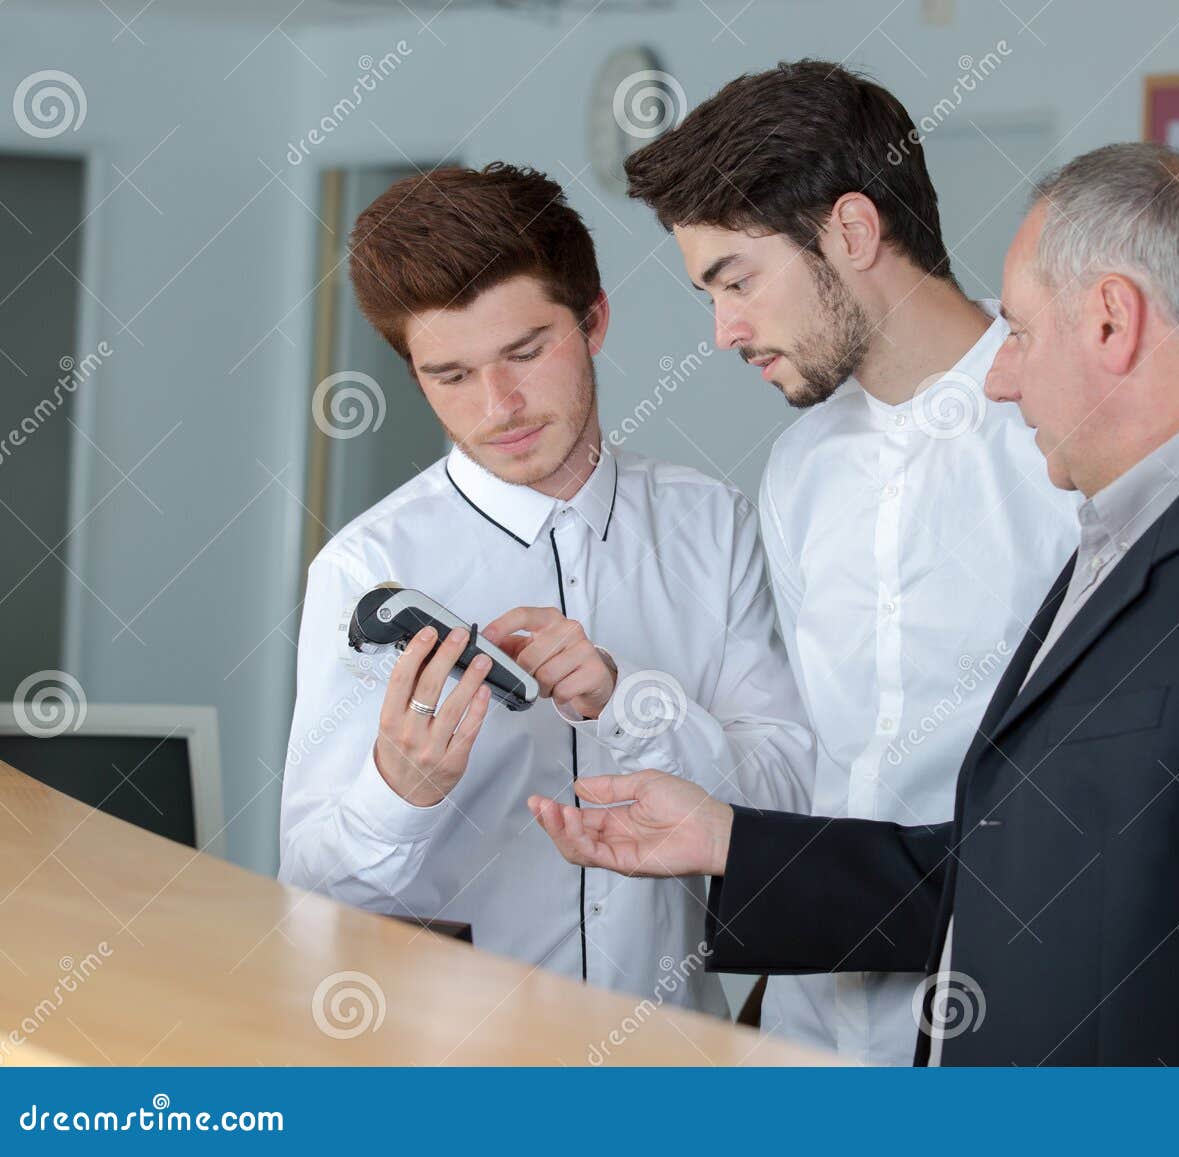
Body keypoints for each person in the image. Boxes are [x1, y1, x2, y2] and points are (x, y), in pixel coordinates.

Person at [530, 142, 1179, 1065]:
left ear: (1110, 323)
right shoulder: (1122, 536)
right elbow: (1011, 874)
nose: (1000, 378)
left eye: (1020, 331)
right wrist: (729, 838)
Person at [622, 59, 1081, 1064]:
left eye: (735, 281)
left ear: (852, 232)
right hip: (807, 1025)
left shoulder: (1060, 453)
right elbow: (823, 763)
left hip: (1009, 1022)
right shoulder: (798, 469)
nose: (722, 331)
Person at [278, 163, 812, 1017]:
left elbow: (787, 803)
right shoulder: (363, 571)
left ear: (593, 319)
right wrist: (398, 788)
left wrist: (631, 700)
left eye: (526, 352)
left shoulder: (712, 525)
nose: (501, 405)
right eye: (451, 375)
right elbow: (310, 891)